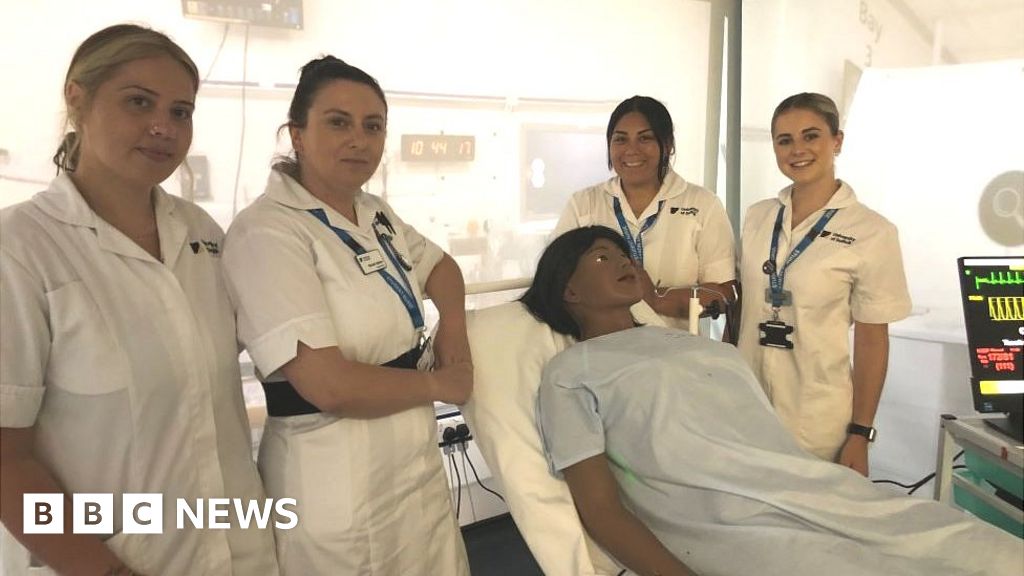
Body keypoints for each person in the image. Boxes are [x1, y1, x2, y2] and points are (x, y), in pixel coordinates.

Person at [522, 225, 1019, 576]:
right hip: (728, 521)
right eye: (602, 257)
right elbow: (601, 507)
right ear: (569, 290)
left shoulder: (691, 344)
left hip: (812, 489)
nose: (625, 261)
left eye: (622, 252)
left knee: (972, 543)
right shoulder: (571, 373)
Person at [0, 24, 278, 575]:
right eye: (138, 102)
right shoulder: (22, 250)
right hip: (111, 560)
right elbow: (7, 461)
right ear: (77, 98)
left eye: (181, 112)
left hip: (240, 552)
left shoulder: (202, 233)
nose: (163, 128)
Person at [221, 55, 471, 575]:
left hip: (414, 467)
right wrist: (443, 385)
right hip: (336, 486)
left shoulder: (374, 212)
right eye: (338, 122)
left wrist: (454, 331)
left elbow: (442, 269)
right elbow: (329, 385)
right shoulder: (267, 232)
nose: (359, 139)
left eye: (372, 126)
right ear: (297, 134)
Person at [737, 92, 911, 475]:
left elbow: (871, 341)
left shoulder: (871, 232)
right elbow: (744, 309)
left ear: (837, 141)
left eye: (810, 136)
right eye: (785, 140)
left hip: (817, 421)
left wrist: (860, 434)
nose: (797, 149)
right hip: (746, 411)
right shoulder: (758, 217)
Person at [553, 95, 736, 333]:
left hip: (676, 354)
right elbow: (558, 280)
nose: (631, 150)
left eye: (645, 138)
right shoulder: (583, 204)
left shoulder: (703, 204)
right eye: (620, 139)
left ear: (668, 145)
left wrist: (657, 299)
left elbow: (725, 295)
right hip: (600, 350)